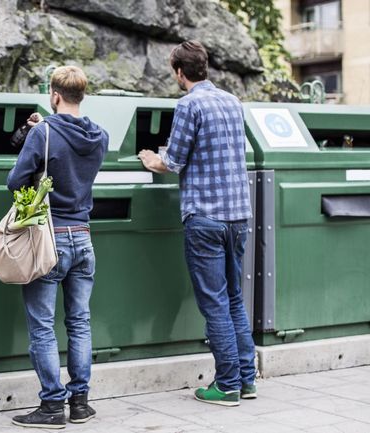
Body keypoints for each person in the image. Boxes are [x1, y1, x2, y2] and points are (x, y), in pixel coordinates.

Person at [138, 40, 256, 407]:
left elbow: (173, 162)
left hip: (205, 218)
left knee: (215, 303)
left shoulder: (189, 104)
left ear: (179, 72)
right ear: (204, 67)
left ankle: (226, 385)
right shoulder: (232, 101)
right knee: (235, 298)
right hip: (238, 216)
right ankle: (247, 379)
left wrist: (148, 158)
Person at [7, 65, 108, 429]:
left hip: (49, 238)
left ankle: (51, 406)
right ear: (81, 95)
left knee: (43, 325)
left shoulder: (44, 132)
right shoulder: (100, 136)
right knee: (79, 322)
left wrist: (36, 139)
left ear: (54, 95)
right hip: (83, 236)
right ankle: (80, 402)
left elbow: (14, 180)